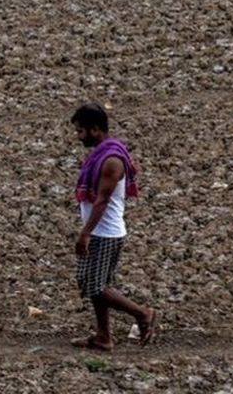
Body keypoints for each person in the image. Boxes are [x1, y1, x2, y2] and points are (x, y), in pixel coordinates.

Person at [70, 103, 157, 351]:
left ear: (95, 129)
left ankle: (142, 313)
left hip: (104, 233)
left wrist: (85, 234)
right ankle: (103, 336)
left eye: (81, 131)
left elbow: (102, 201)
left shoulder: (111, 161)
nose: (79, 137)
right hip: (101, 230)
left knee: (95, 286)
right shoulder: (107, 152)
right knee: (94, 285)